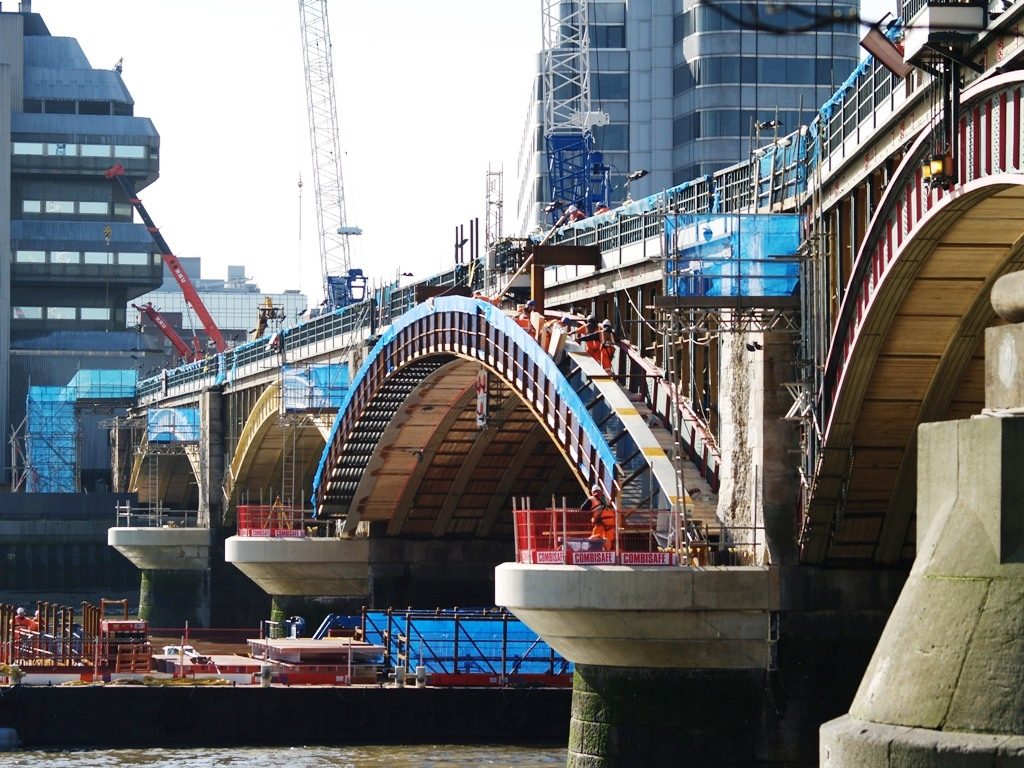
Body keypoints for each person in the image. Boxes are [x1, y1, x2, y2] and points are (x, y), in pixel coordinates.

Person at [582, 484, 616, 551]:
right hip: (612, 520)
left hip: (602, 520)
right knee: (608, 537)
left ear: (592, 492)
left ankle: (591, 549)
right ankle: (607, 552)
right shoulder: (606, 498)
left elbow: (583, 509)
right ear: (601, 491)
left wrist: (591, 515)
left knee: (595, 535)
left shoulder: (591, 499)